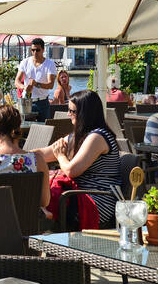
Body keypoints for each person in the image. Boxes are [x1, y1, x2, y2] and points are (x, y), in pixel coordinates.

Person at [32, 90, 120, 228]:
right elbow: (45, 153)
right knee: (39, 200)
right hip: (75, 195)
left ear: (85, 113)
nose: (68, 114)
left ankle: (43, 234)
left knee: (39, 208)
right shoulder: (78, 136)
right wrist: (18, 155)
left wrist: (61, 156)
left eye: (72, 111)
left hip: (97, 201)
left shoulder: (97, 137)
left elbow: (72, 171)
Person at [15, 38, 57, 119]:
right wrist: (24, 87)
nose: (35, 52)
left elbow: (51, 85)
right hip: (27, 101)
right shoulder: (25, 62)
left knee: (44, 129)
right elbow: (17, 81)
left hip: (42, 102)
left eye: (37, 50)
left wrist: (36, 84)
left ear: (43, 50)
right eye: (33, 50)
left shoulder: (50, 64)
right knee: (25, 128)